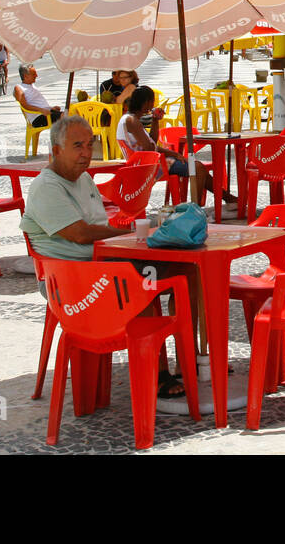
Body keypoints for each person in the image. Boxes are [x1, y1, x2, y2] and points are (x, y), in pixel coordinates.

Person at [19, 116, 191, 398]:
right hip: (71, 280)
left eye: (90, 144)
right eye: (78, 146)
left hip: (99, 265)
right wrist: (124, 234)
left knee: (185, 268)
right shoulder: (46, 187)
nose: (86, 153)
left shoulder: (83, 178)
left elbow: (98, 225)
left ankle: (191, 357)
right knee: (139, 279)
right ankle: (157, 372)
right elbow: (80, 233)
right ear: (57, 150)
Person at [117, 85, 233, 206]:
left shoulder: (129, 119)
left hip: (145, 162)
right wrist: (173, 154)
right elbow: (150, 148)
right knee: (197, 168)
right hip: (148, 165)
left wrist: (155, 121)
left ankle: (228, 198)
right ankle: (197, 206)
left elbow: (151, 142)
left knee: (200, 168)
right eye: (152, 102)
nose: (153, 105)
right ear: (147, 102)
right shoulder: (132, 121)